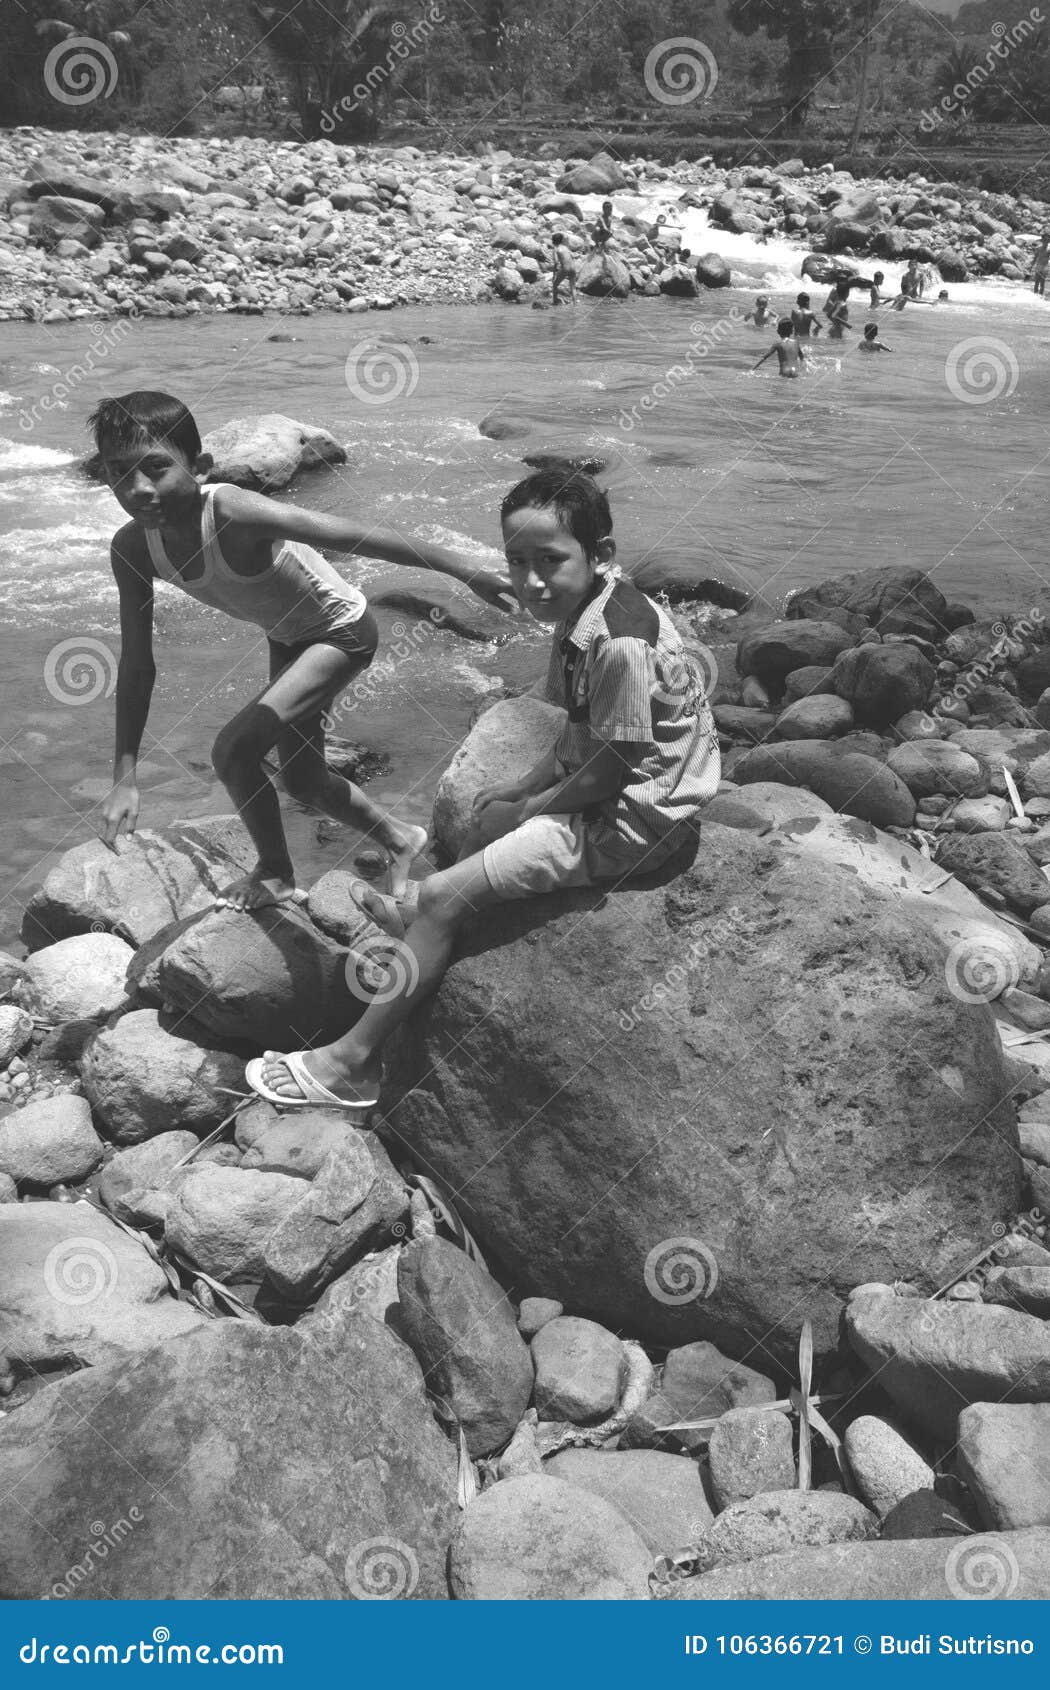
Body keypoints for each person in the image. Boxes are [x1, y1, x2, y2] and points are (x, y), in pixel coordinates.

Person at [245, 468, 721, 1111]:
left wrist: (530, 809)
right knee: (482, 811)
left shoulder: (619, 643)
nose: (530, 582)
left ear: (601, 554)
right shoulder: (588, 609)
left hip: (634, 822)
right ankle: (417, 915)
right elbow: (587, 728)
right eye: (516, 562)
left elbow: (613, 767)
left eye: (549, 561)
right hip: (615, 786)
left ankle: (350, 1065)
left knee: (446, 895)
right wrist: (521, 787)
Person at [90, 390, 513, 912]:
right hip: (288, 636)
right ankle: (402, 839)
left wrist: (466, 570)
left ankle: (276, 873)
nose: (136, 488)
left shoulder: (233, 511)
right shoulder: (132, 548)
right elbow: (136, 665)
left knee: (234, 750)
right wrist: (124, 777)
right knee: (304, 780)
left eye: (155, 468)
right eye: (116, 472)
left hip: (341, 631)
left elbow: (360, 536)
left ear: (199, 467)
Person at [551, 232, 577, 304]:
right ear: (561, 240)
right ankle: (575, 303)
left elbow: (556, 262)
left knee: (555, 285)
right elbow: (572, 256)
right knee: (573, 287)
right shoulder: (566, 247)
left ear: (553, 241)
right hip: (573, 267)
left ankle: (555, 302)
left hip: (565, 268)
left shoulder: (556, 249)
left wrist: (554, 275)